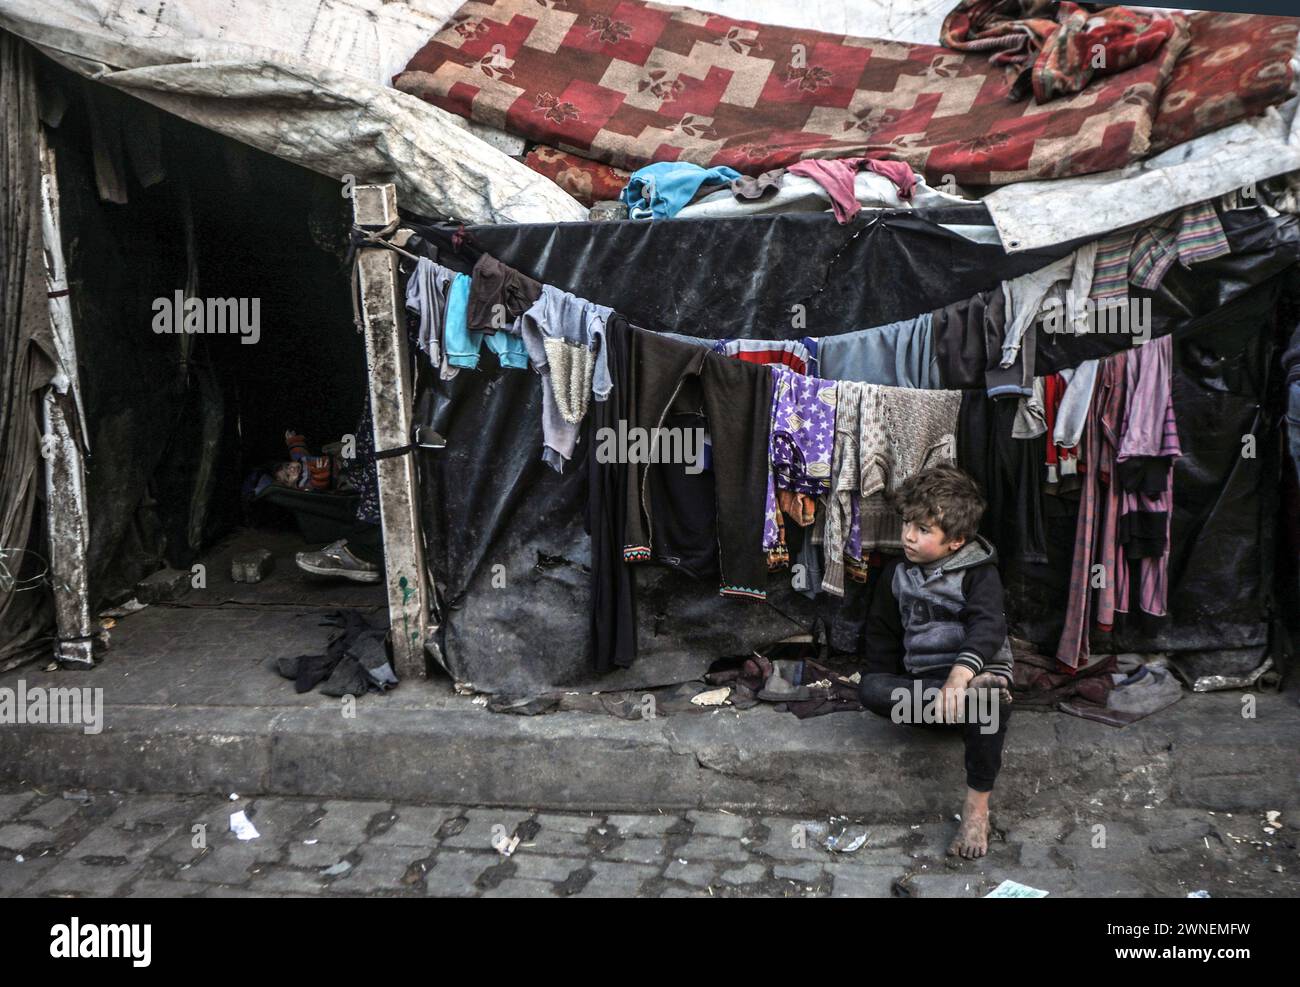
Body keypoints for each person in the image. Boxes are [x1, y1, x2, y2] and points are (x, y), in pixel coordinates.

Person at [857, 464, 1014, 858]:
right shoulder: (896, 574)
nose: (908, 535)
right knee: (872, 689)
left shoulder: (979, 574)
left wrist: (960, 677)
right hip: (925, 693)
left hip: (971, 678)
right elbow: (882, 636)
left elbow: (988, 629)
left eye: (924, 530)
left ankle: (977, 811)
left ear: (956, 542)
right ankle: (963, 703)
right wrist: (887, 683)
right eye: (908, 523)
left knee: (989, 704)